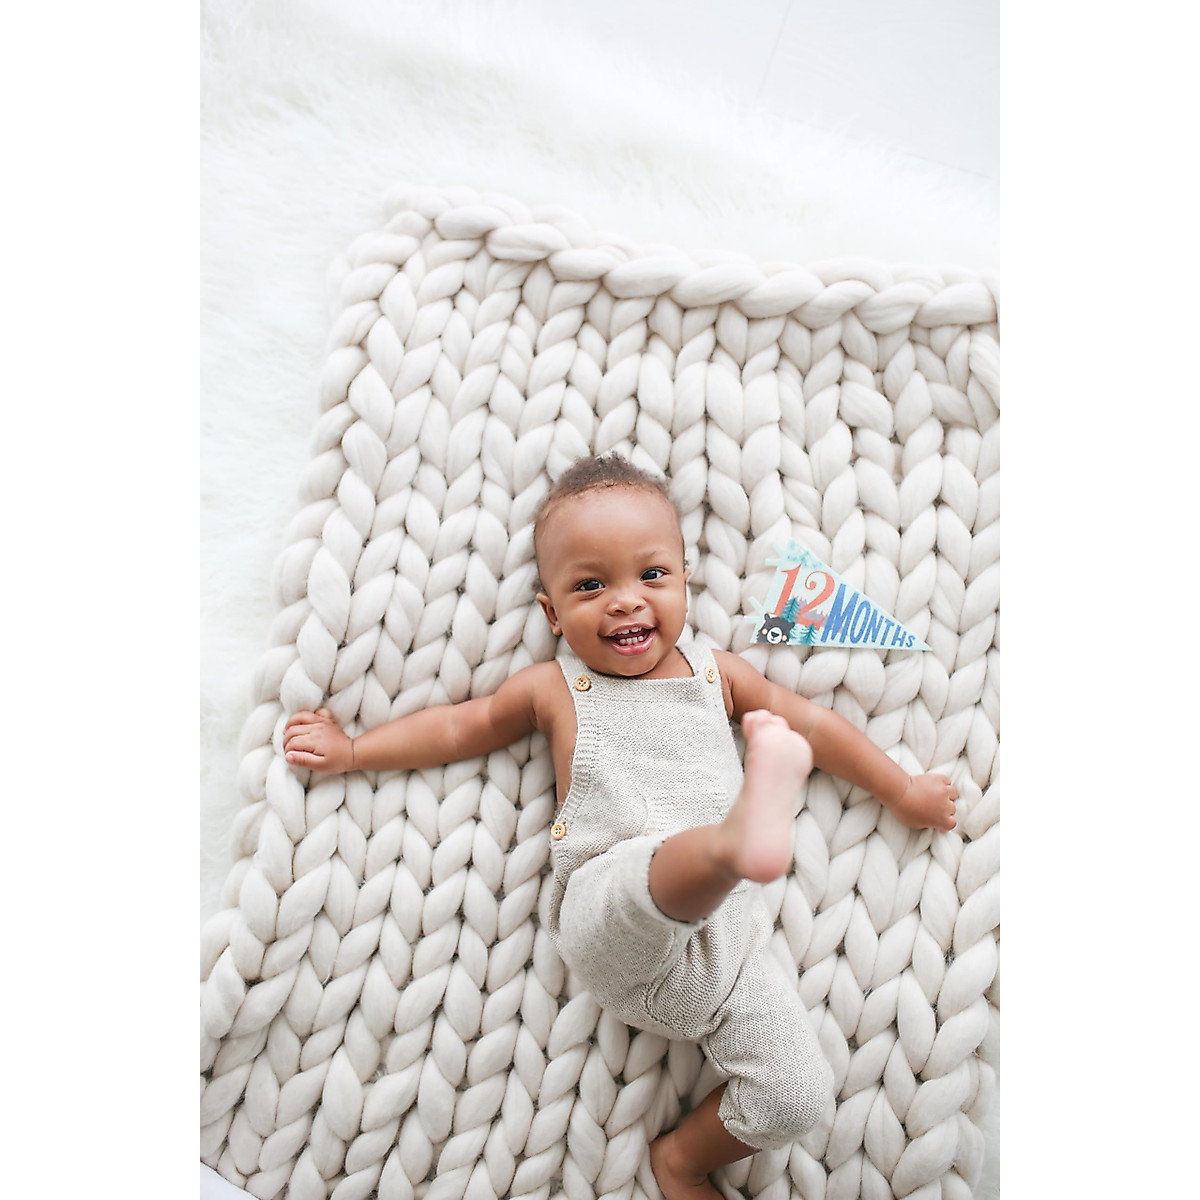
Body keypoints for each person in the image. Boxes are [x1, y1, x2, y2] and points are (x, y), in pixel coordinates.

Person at [283, 452, 958, 1200]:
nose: (625, 602)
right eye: (590, 586)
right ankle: (734, 841)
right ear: (551, 614)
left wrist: (902, 790)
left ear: (685, 581)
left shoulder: (717, 674)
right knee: (654, 871)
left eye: (652, 575)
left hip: (729, 956)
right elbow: (455, 728)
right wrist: (352, 751)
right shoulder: (554, 687)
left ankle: (680, 1161)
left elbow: (817, 727)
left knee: (797, 1097)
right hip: (613, 905)